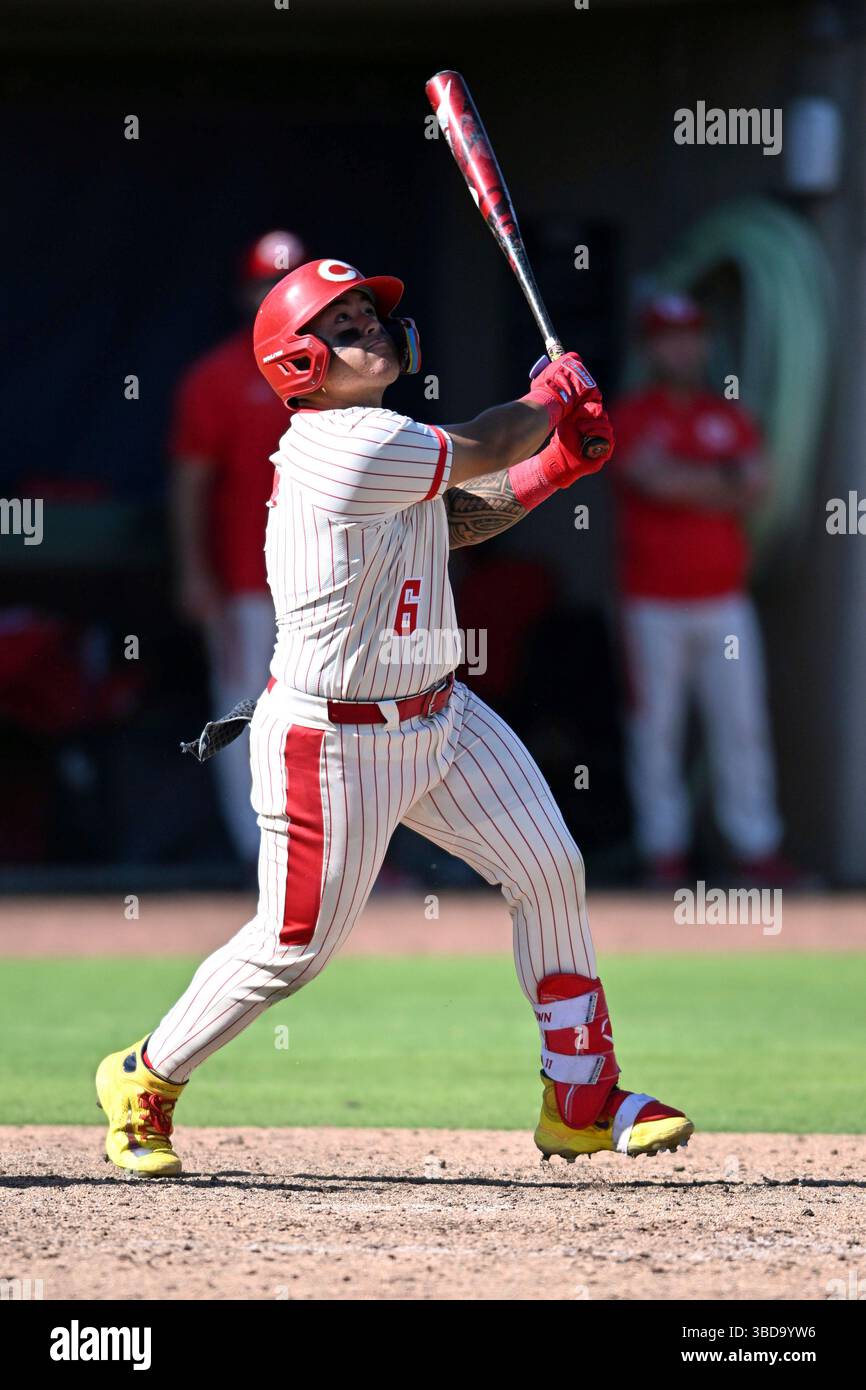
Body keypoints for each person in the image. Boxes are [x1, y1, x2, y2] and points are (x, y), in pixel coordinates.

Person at [96, 257, 693, 1176]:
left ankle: (581, 1093)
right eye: (343, 325)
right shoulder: (336, 445)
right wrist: (549, 402)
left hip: (442, 715)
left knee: (550, 869)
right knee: (290, 953)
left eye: (372, 316)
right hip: (331, 741)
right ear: (298, 362)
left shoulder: (386, 442)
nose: (370, 329)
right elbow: (490, 444)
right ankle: (144, 1075)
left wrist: (557, 467)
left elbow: (453, 518)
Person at [612, 292, 789, 887]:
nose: (682, 346)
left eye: (690, 334)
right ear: (650, 346)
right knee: (656, 728)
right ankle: (664, 855)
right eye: (668, 336)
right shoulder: (634, 413)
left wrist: (694, 479)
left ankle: (756, 850)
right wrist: (720, 477)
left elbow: (757, 484)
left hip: (724, 598)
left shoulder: (728, 412)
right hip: (652, 601)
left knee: (741, 725)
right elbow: (649, 478)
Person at [168, 230, 306, 865]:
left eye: (285, 283)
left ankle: (324, 859)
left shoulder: (331, 372)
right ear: (244, 293)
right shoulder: (217, 376)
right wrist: (195, 572)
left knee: (327, 720)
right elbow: (190, 482)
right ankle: (260, 859)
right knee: (244, 714)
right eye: (263, 285)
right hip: (246, 580)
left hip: (324, 581)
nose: (272, 295)